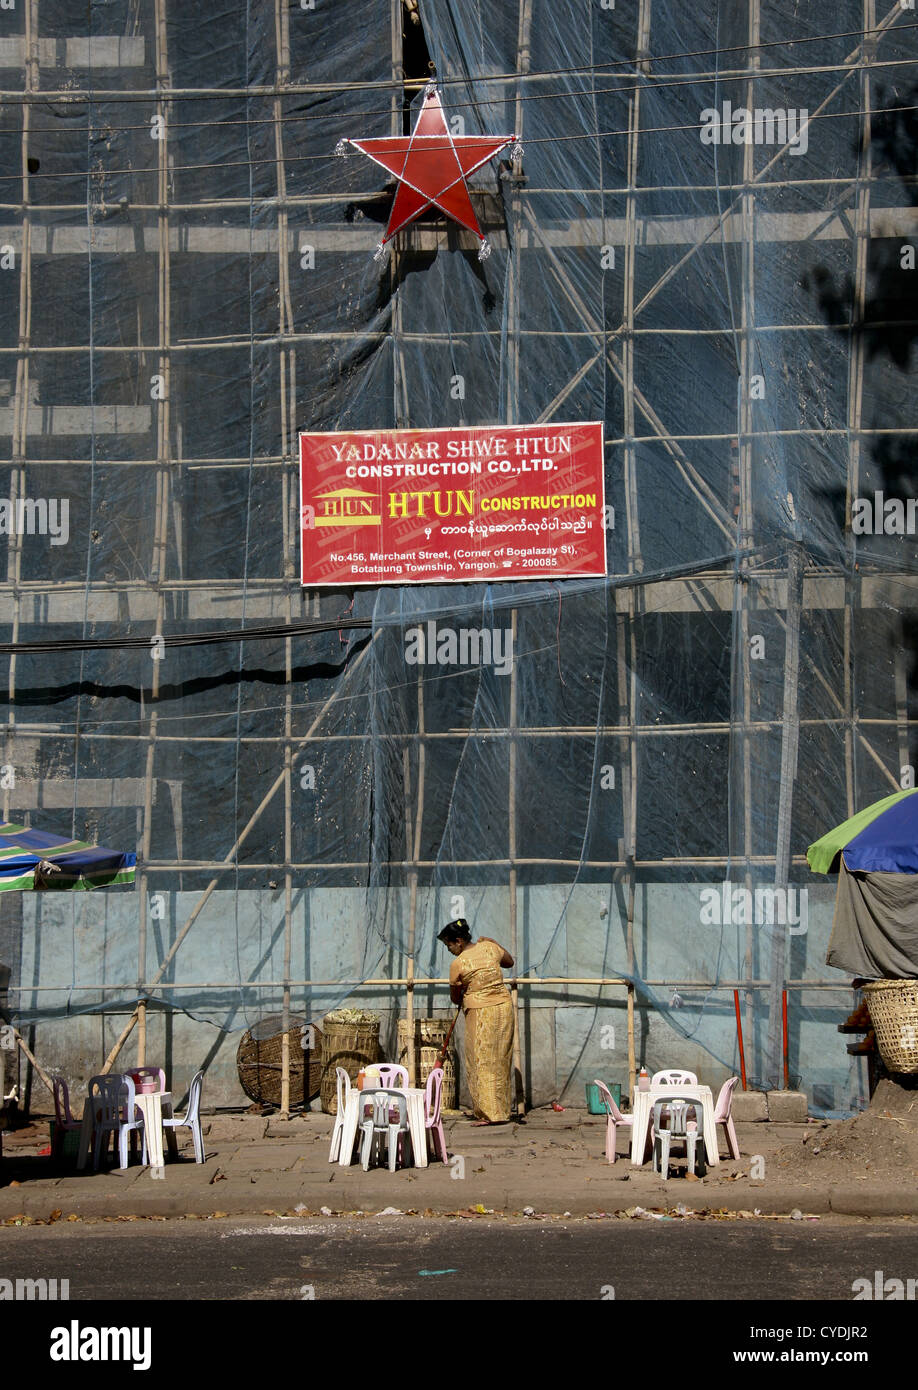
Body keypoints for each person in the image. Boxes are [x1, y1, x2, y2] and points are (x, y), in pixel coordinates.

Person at [438, 917, 515, 1125]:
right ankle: (498, 1110)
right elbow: (509, 962)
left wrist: (462, 990)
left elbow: (455, 997)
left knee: (480, 1060)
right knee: (500, 1058)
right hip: (504, 1009)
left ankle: (490, 1114)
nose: (449, 950)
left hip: (481, 1013)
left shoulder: (459, 963)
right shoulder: (489, 947)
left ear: (459, 941)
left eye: (449, 945)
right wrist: (496, 943)